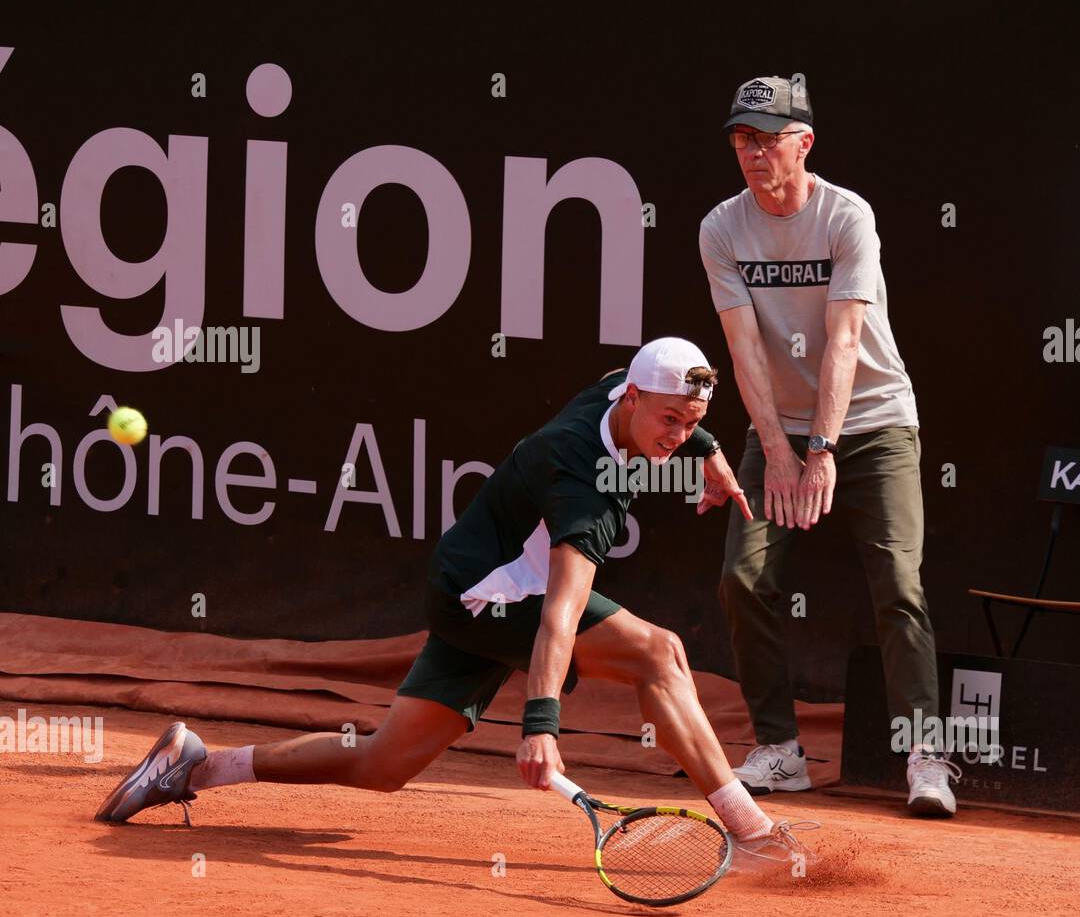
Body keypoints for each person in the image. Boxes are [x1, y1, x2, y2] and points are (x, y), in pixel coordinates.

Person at [95, 338, 819, 866]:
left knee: (381, 764)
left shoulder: (618, 389)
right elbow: (561, 615)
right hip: (489, 600)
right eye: (670, 421)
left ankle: (197, 766)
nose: (678, 435)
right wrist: (541, 725)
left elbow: (677, 406)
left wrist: (711, 453)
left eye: (689, 423)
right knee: (660, 653)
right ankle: (751, 831)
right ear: (631, 399)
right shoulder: (583, 480)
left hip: (467, 587)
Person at [699, 76, 959, 815]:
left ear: (803, 143)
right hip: (776, 429)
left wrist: (822, 450)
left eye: (766, 138)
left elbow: (844, 340)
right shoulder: (721, 228)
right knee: (743, 577)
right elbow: (743, 350)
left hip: (874, 423)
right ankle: (779, 752)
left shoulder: (848, 217)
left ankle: (925, 756)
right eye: (741, 140)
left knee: (898, 586)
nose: (750, 153)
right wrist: (779, 450)